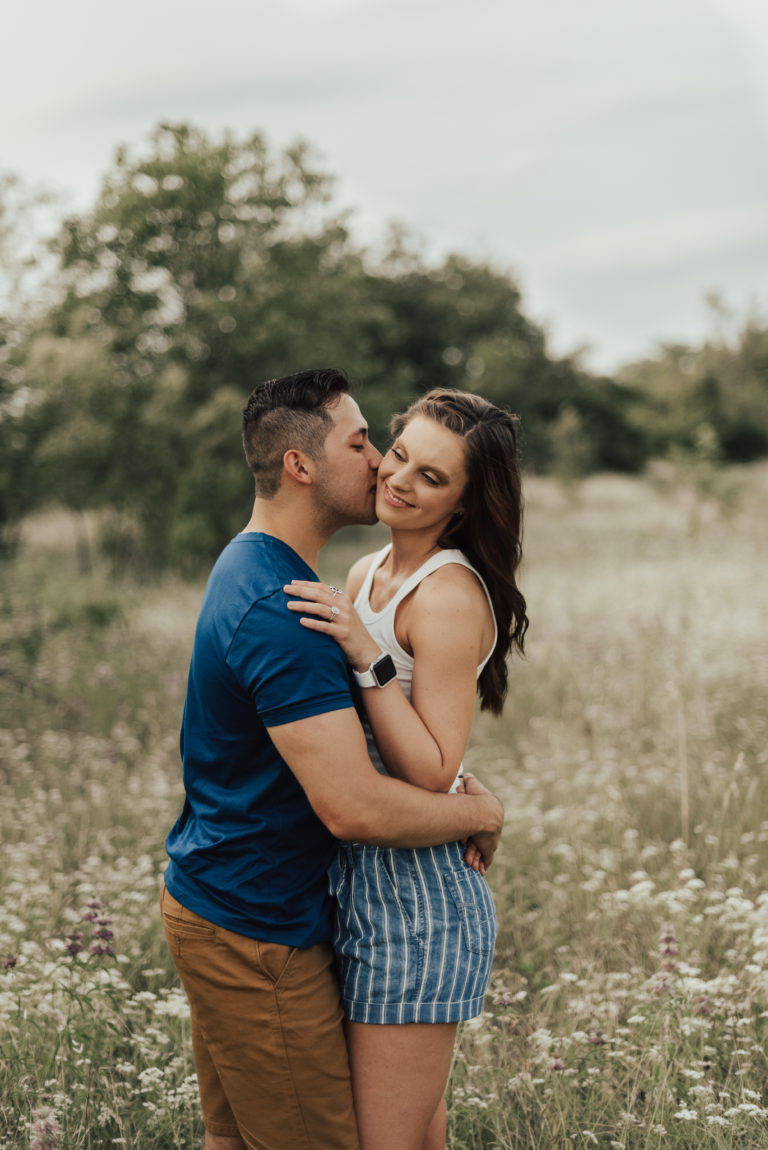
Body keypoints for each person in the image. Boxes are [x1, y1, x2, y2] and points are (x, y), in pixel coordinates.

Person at [160, 369, 505, 1150]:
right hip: (263, 919)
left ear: (461, 500)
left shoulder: (269, 575)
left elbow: (411, 753)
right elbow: (354, 803)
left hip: (353, 907)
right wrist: (479, 810)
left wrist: (461, 794)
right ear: (300, 465)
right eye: (371, 445)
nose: (384, 465)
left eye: (428, 473)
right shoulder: (299, 598)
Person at [283, 388, 528, 1150]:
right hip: (359, 885)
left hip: (420, 909)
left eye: (432, 477)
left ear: (463, 504)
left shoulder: (448, 597)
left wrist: (367, 653)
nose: (399, 480)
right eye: (399, 456)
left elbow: (431, 769)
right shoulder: (365, 573)